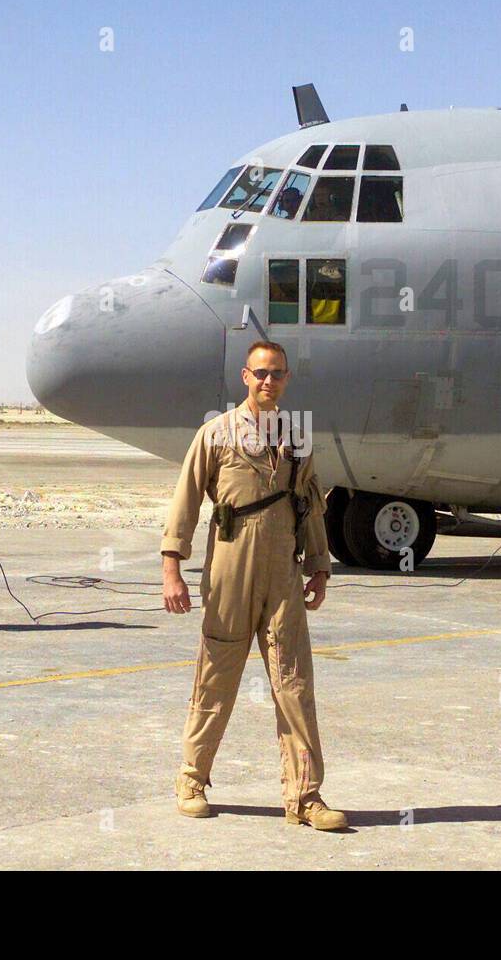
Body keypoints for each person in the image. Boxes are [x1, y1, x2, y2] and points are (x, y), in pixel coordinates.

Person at [161, 341, 348, 830]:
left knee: (294, 681)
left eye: (278, 374)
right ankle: (192, 778)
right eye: (261, 373)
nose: (269, 382)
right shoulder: (216, 435)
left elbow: (310, 504)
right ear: (245, 376)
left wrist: (320, 566)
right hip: (230, 565)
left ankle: (305, 796)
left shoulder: (296, 440)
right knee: (216, 675)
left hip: (282, 571)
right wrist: (172, 567)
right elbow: (184, 502)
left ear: (286, 379)